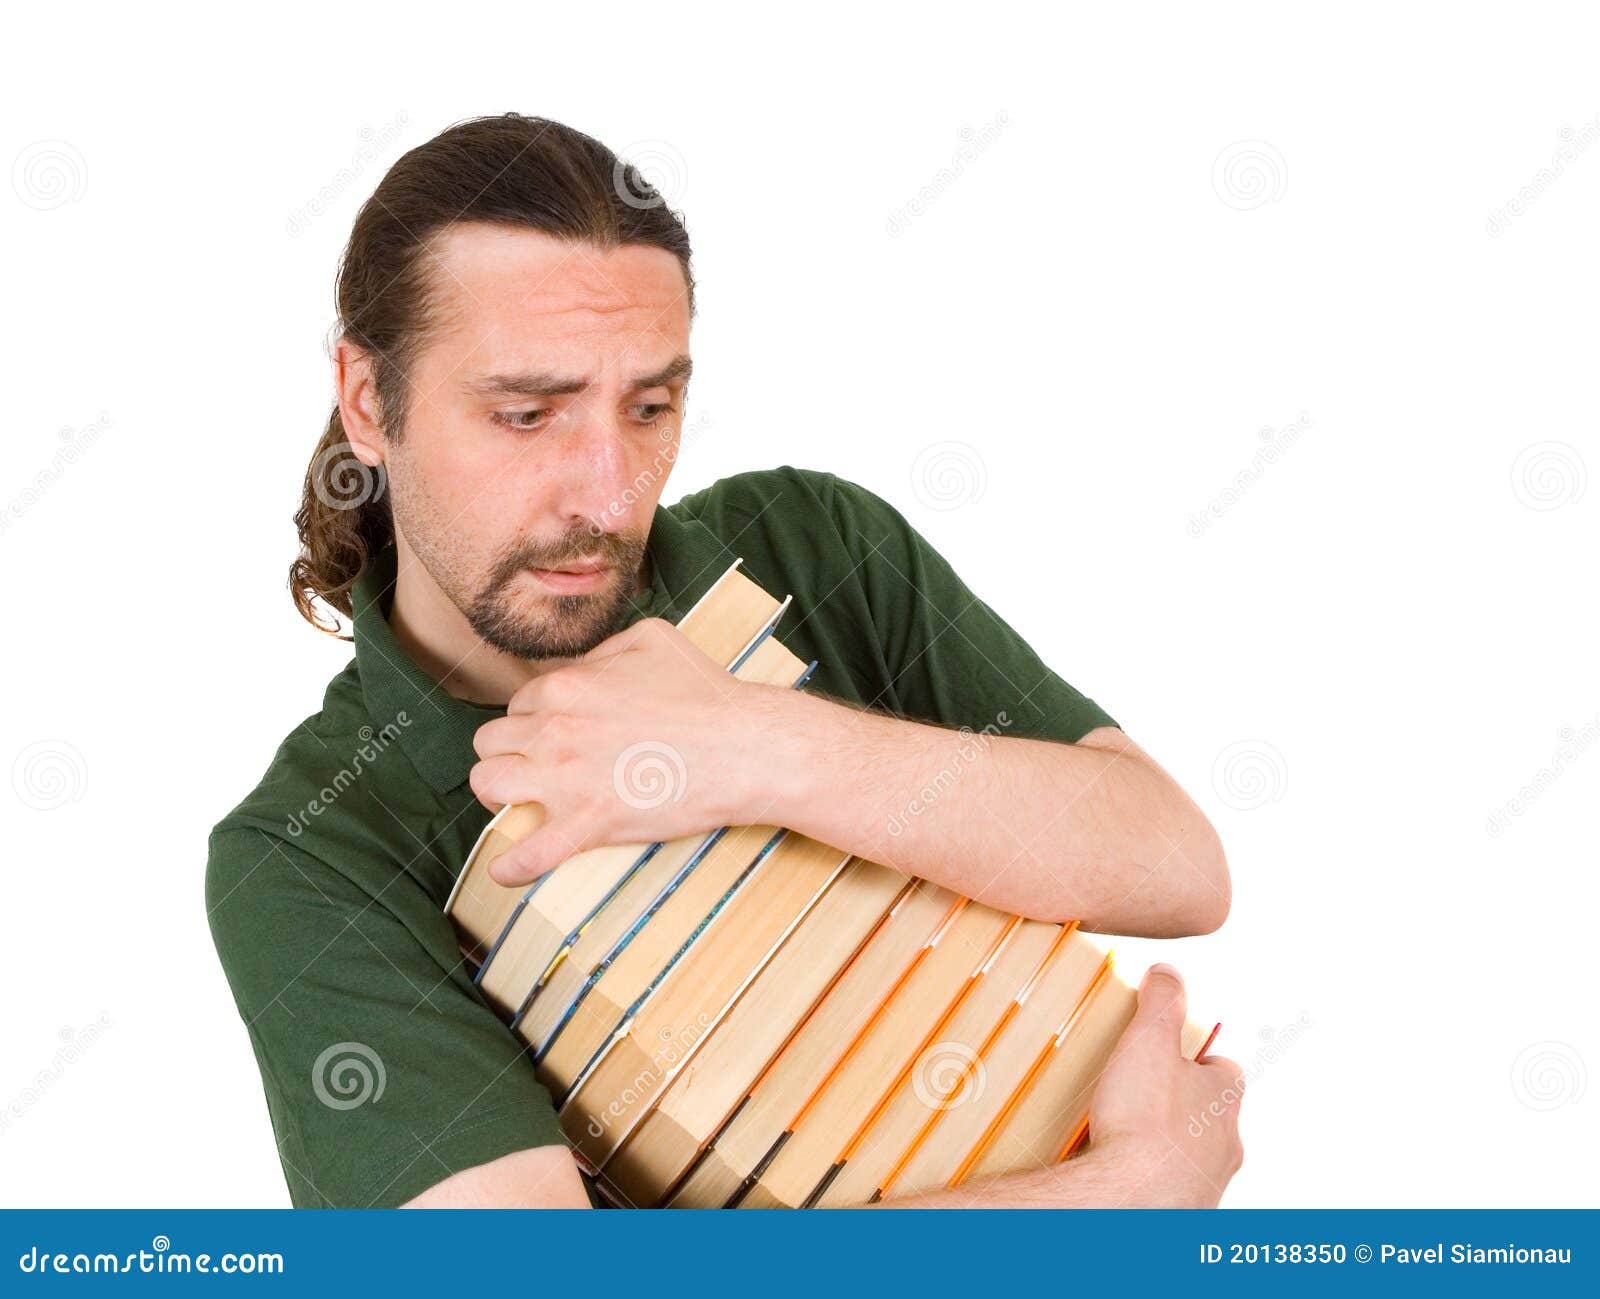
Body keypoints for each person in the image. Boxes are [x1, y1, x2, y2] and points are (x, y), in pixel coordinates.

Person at [206, 113, 1243, 1209]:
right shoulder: (311, 852)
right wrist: (1121, 1198)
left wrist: (762, 746)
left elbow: (1175, 869)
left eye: (651, 407)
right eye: (526, 414)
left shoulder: (810, 544)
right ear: (369, 402)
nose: (609, 494)